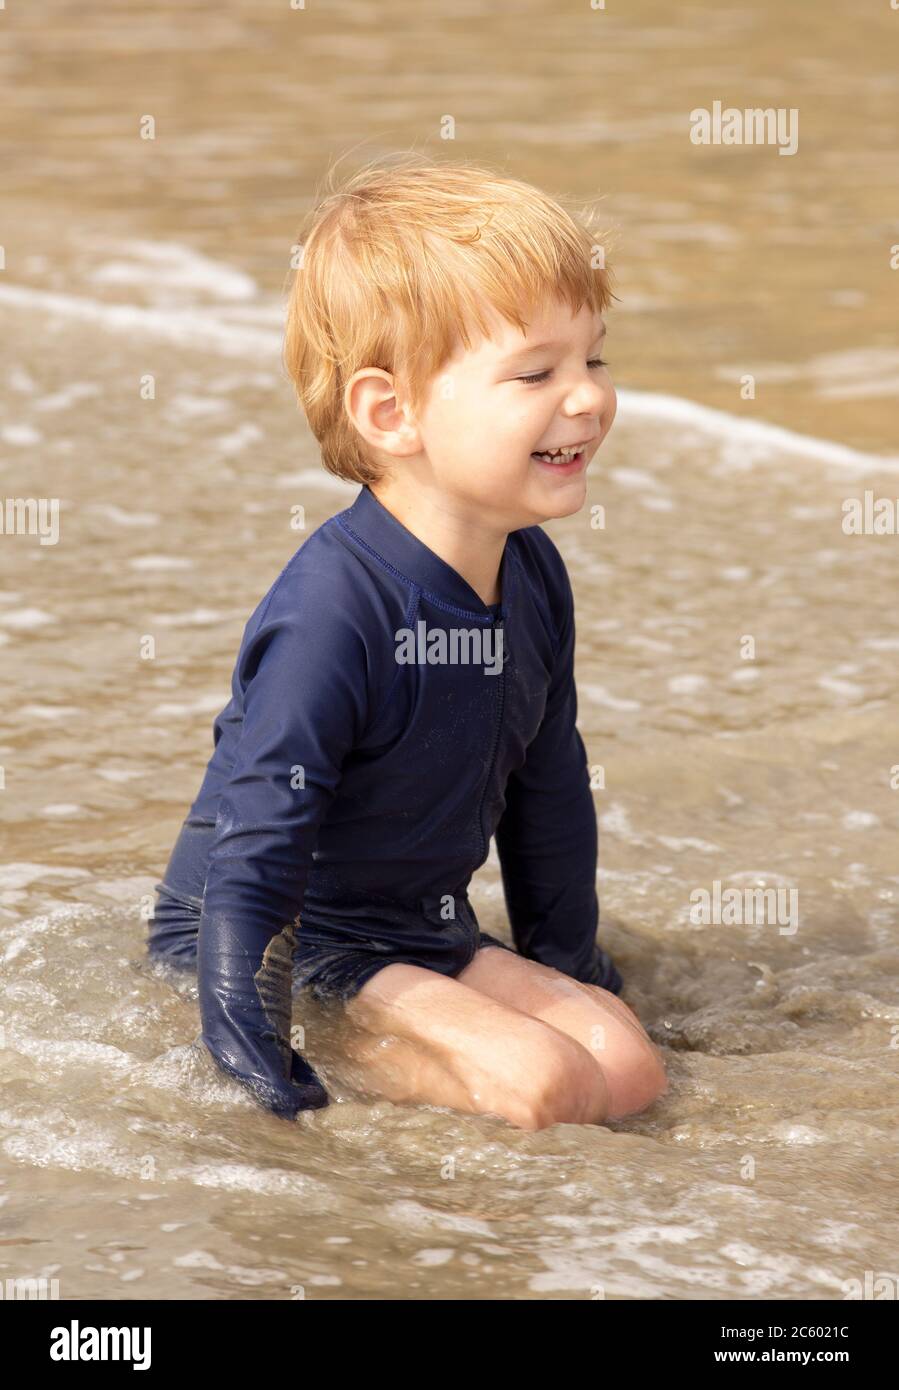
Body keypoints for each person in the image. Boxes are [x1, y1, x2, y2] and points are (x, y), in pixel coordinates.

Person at [150, 154, 668, 1131]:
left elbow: (547, 790)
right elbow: (255, 846)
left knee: (624, 1066)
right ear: (390, 413)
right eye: (536, 372)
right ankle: (356, 1045)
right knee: (547, 1088)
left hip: (411, 926)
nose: (588, 398)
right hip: (276, 939)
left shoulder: (530, 574)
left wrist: (572, 973)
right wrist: (246, 1045)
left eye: (592, 358)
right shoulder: (334, 611)